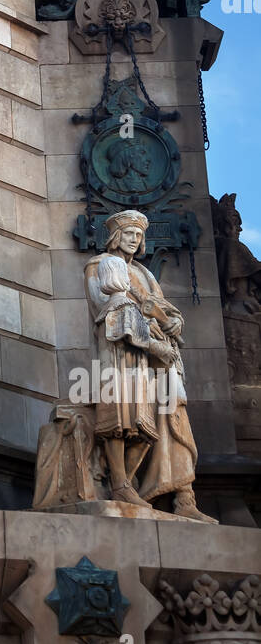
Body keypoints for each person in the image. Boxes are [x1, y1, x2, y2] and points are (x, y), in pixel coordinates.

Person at [83, 209, 215, 521]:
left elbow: (166, 309)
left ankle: (183, 496)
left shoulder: (145, 274)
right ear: (116, 236)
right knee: (127, 415)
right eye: (129, 234)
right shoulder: (98, 265)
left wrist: (172, 323)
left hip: (159, 355)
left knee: (172, 414)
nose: (134, 240)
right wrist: (146, 312)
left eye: (139, 236)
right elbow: (105, 306)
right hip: (127, 351)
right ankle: (125, 483)